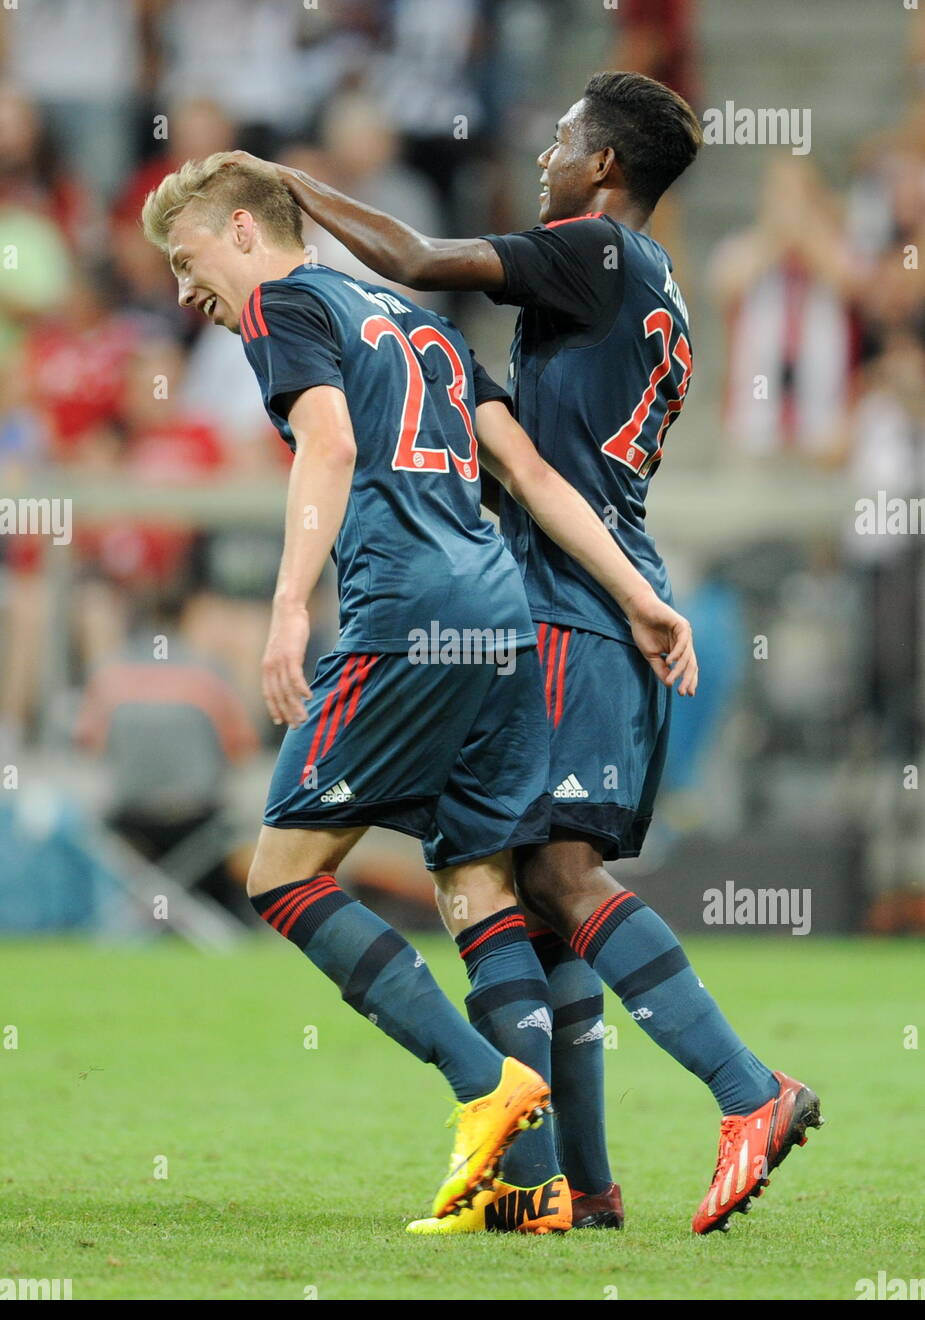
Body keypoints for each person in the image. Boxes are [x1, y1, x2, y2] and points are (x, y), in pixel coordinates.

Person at [229, 69, 823, 1236]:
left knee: (544, 879)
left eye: (560, 138)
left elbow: (410, 255)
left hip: (566, 603)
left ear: (605, 168)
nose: (545, 153)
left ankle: (749, 1090)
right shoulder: (658, 290)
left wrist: (283, 186)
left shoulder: (593, 247)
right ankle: (577, 1184)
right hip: (593, 590)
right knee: (527, 891)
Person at [141, 154, 697, 1230]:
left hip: (404, 613)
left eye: (187, 256)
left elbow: (332, 441)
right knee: (481, 879)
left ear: (247, 231)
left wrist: (290, 601)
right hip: (501, 616)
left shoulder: (282, 303)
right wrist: (637, 594)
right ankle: (535, 1185)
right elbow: (530, 474)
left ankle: (486, 1085)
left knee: (283, 875)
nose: (183, 290)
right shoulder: (415, 321)